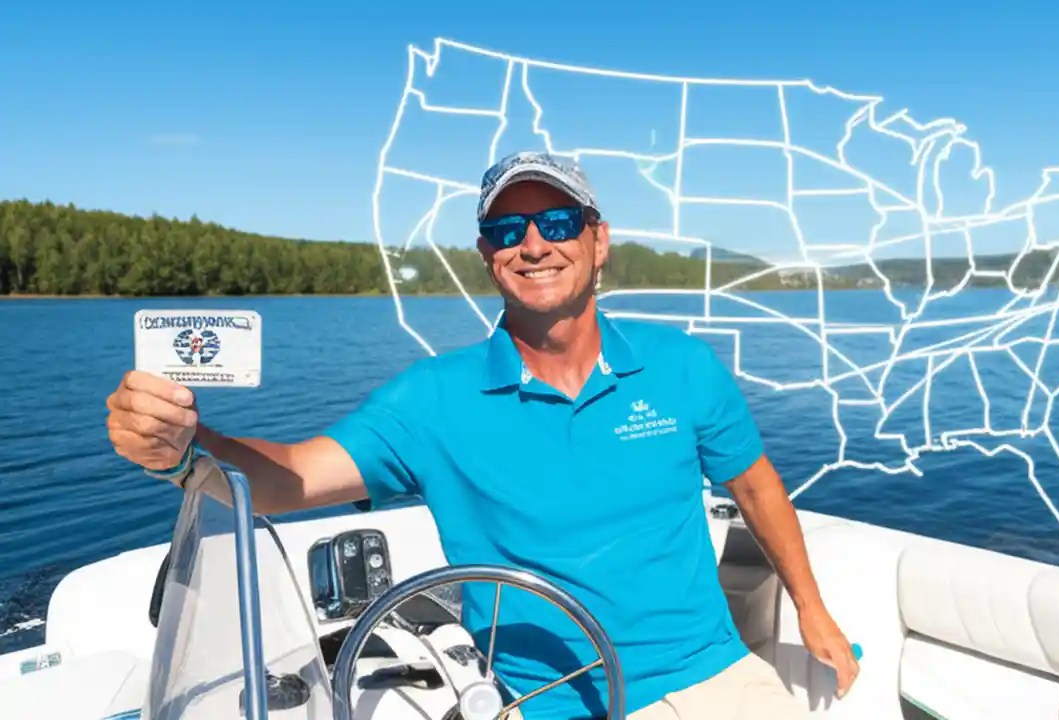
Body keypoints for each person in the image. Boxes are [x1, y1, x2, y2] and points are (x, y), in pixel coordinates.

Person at [105, 151, 859, 719]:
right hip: (550, 701)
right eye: (508, 228)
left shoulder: (682, 366)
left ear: (599, 242)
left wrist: (813, 609)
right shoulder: (433, 400)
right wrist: (184, 451)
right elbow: (292, 477)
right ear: (487, 256)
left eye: (558, 223)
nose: (533, 244)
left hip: (710, 677)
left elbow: (755, 484)